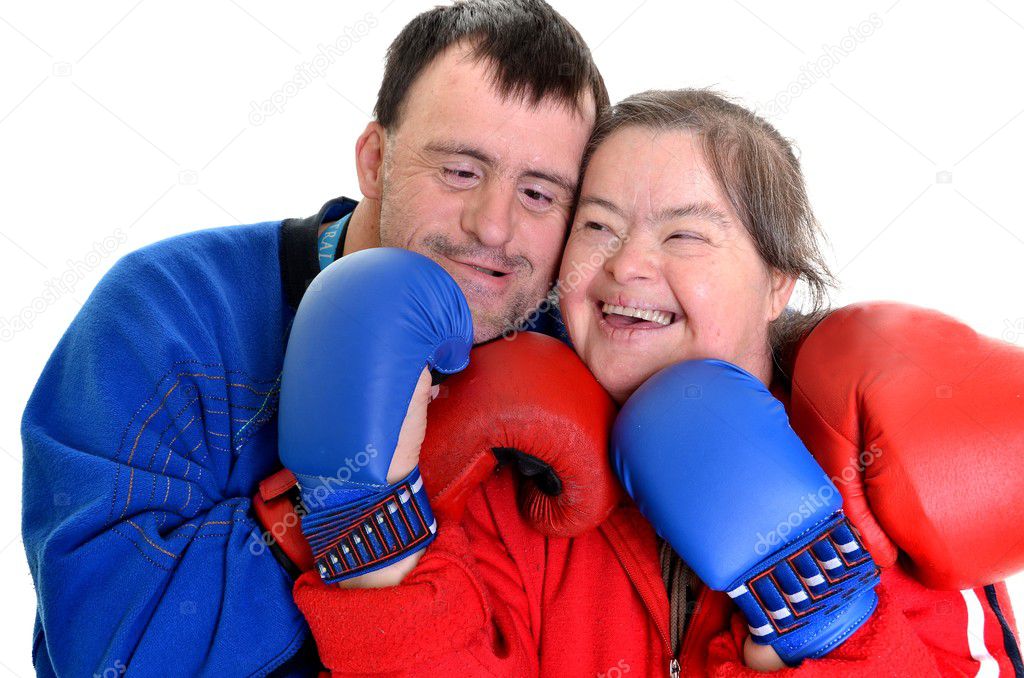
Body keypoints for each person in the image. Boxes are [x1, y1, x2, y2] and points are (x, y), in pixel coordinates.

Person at [289, 89, 1023, 675]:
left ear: (778, 284)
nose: (626, 266)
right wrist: (368, 521)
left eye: (683, 235)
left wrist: (813, 606)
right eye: (599, 228)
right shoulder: (502, 470)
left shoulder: (882, 484)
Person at [19, 1, 607, 675]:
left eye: (538, 194)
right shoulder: (164, 314)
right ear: (375, 160)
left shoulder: (576, 346)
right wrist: (343, 495)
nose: (494, 227)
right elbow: (108, 657)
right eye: (461, 171)